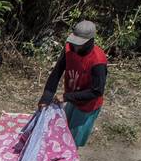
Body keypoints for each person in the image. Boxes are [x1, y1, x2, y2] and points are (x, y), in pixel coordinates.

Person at [38, 19, 108, 147]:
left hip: (87, 106)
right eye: (75, 42)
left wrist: (66, 97)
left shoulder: (98, 61)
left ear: (90, 41)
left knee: (72, 142)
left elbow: (97, 91)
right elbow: (57, 72)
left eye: (79, 44)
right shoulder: (69, 49)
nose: (76, 46)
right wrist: (46, 97)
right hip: (72, 100)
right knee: (63, 131)